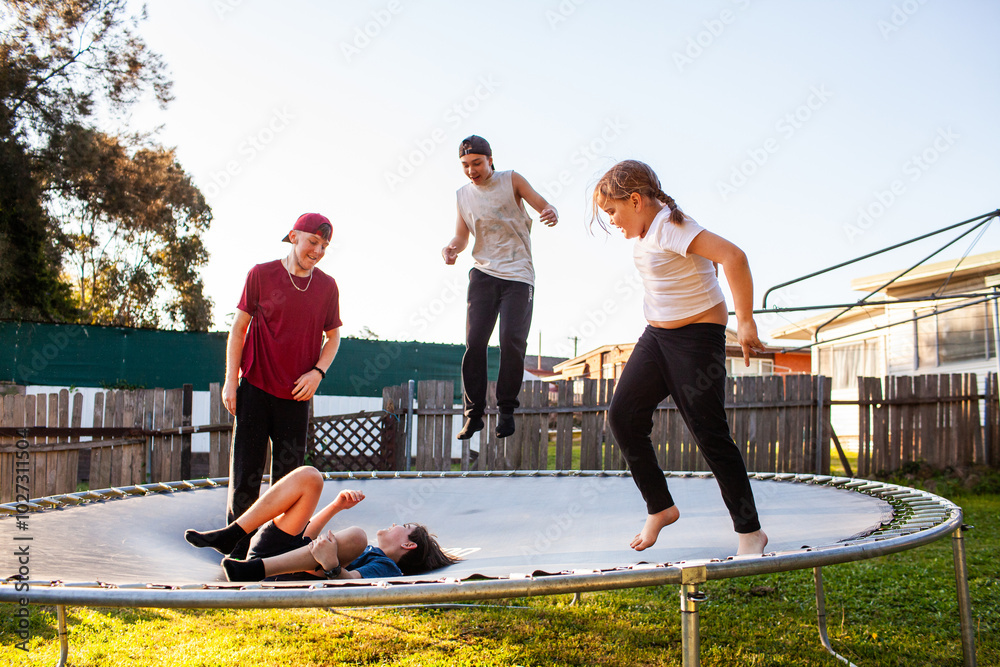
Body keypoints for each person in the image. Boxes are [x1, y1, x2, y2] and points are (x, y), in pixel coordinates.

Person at [591, 160, 769, 557]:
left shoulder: (672, 225)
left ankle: (750, 532)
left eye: (613, 212)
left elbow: (734, 257)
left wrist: (745, 323)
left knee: (710, 435)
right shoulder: (651, 230)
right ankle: (661, 507)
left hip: (695, 342)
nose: (613, 221)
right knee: (623, 416)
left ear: (635, 200)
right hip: (656, 338)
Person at [222, 212, 342, 557]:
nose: (317, 251)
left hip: (296, 395)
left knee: (289, 482)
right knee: (245, 475)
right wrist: (232, 381)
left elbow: (333, 337)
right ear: (293, 237)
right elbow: (238, 329)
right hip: (255, 389)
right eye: (313, 242)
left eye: (324, 246)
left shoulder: (327, 287)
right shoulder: (261, 275)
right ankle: (236, 554)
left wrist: (317, 372)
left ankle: (273, 556)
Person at [442, 135, 558, 441]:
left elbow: (544, 205)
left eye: (477, 163)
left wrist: (550, 212)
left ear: (490, 160)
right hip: (483, 274)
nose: (471, 170)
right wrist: (452, 248)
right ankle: (474, 415)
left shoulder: (512, 180)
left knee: (511, 341)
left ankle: (506, 410)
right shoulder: (463, 195)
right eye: (465, 165)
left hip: (518, 275)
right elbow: (462, 236)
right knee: (475, 342)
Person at [185, 466, 459, 581]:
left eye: (404, 525)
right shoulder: (370, 552)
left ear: (407, 543)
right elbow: (306, 540)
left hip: (282, 573)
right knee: (310, 477)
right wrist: (336, 506)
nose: (395, 523)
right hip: (280, 555)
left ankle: (254, 570)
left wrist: (332, 566)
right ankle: (232, 535)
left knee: (356, 536)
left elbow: (352, 584)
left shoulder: (386, 567)